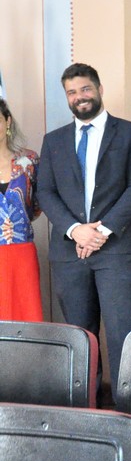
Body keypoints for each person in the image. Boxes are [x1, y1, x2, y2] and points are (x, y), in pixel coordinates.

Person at [36, 63, 131, 402]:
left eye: (85, 89)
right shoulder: (54, 140)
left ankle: (125, 408)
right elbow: (46, 192)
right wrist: (76, 231)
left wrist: (101, 230)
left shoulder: (130, 133)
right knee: (79, 336)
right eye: (72, 92)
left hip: (116, 251)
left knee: (121, 334)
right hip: (70, 253)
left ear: (99, 89)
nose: (79, 97)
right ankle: (85, 408)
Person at [0, 98, 43, 321]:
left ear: (7, 121)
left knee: (27, 319)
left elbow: (37, 206)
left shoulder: (30, 160)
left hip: (23, 254)